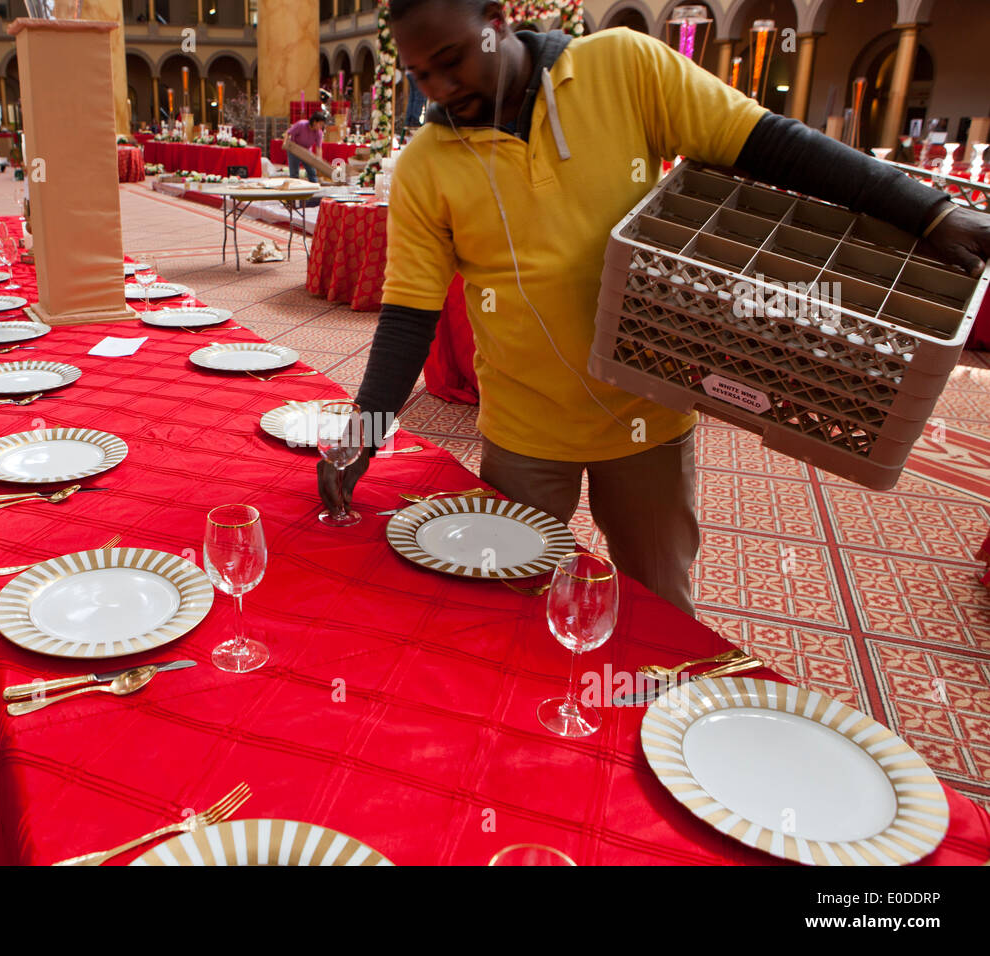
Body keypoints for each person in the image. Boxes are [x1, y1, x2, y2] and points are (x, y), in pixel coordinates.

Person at [316, 0, 990, 616]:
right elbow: (409, 315)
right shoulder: (428, 164)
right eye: (420, 74)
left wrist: (927, 210)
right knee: (507, 610)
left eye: (452, 60)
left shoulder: (621, 65)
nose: (437, 89)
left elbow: (768, 142)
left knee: (661, 609)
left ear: (495, 20)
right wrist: (365, 433)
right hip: (523, 431)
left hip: (648, 416)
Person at [285, 110, 327, 183]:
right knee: (294, 173)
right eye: (320, 124)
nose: (321, 127)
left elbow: (318, 147)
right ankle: (295, 190)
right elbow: (288, 133)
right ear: (314, 122)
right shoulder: (301, 125)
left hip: (306, 151)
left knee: (312, 172)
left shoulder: (319, 133)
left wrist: (319, 160)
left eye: (322, 125)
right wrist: (285, 143)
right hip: (294, 150)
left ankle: (314, 186)